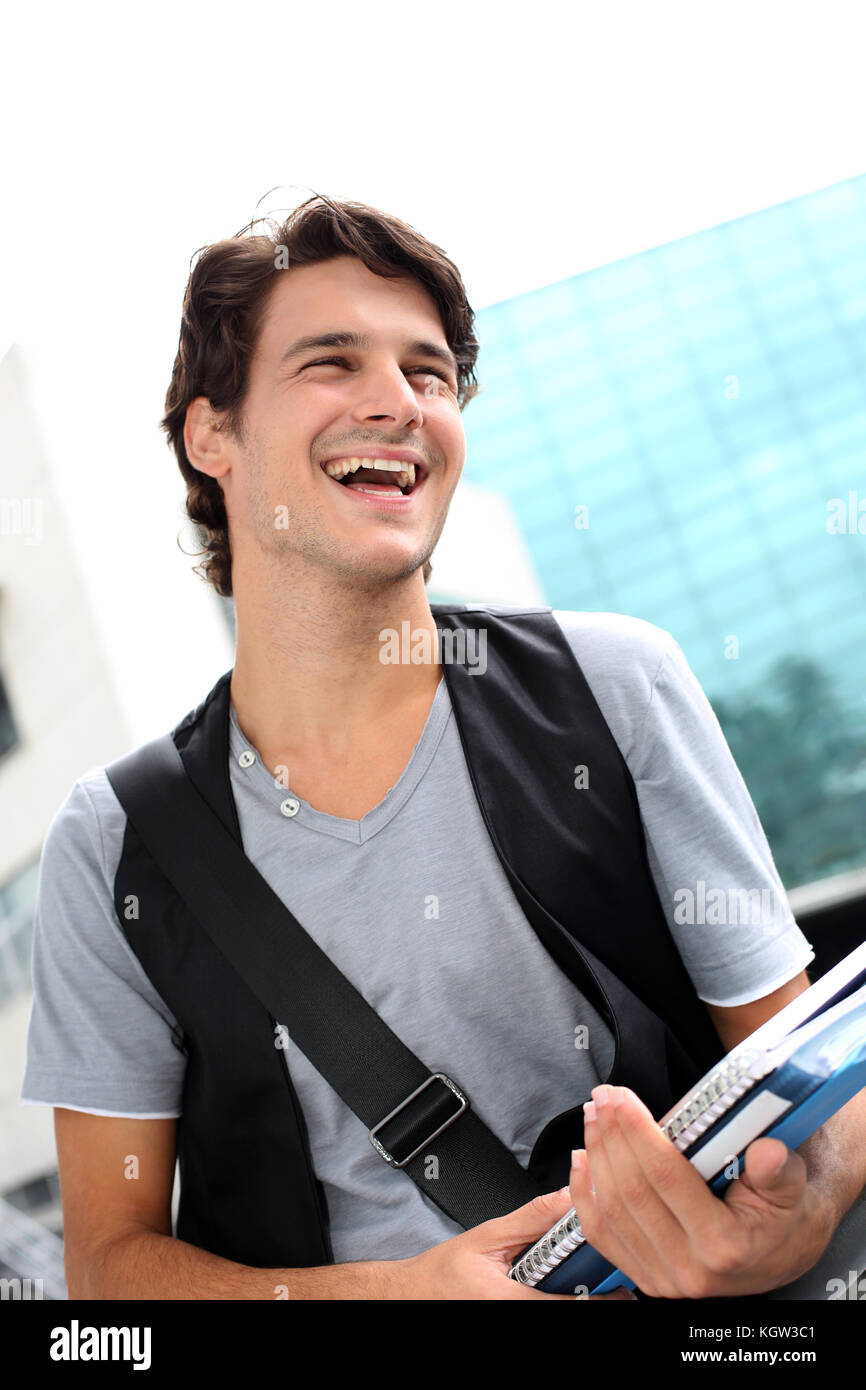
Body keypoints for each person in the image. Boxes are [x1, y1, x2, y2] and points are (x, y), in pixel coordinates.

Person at [21, 194, 866, 1300]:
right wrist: (390, 1295)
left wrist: (798, 1219)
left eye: (428, 374)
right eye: (332, 362)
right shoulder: (113, 840)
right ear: (211, 433)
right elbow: (107, 1269)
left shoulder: (615, 683)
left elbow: (818, 1091)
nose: (399, 401)